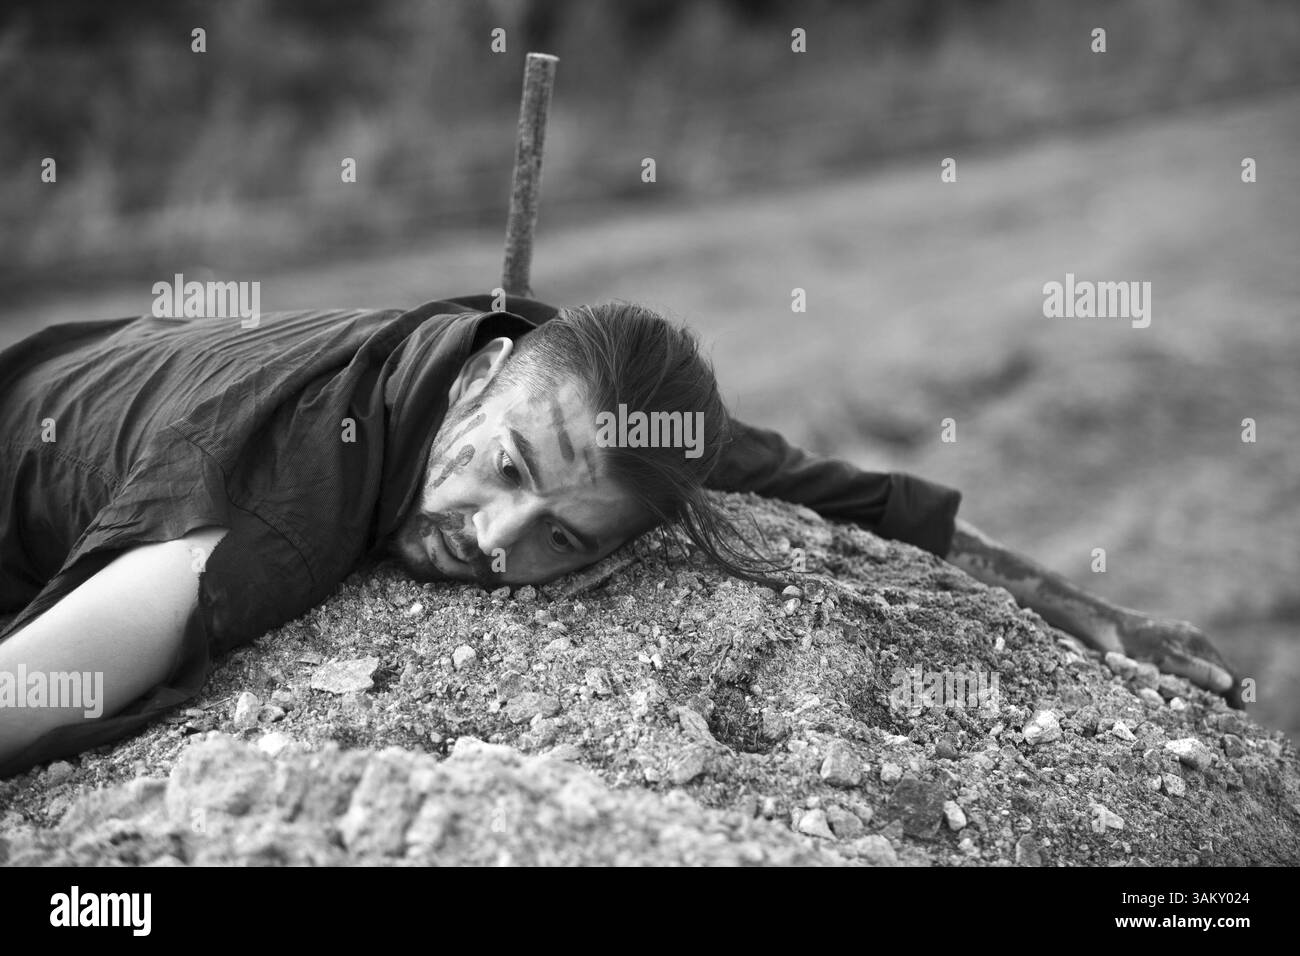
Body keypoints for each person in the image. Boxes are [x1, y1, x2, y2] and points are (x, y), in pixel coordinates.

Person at [0, 293, 1240, 775]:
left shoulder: (610, 425)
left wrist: (1086, 608)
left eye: (560, 542)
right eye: (502, 473)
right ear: (481, 380)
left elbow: (856, 496)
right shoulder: (269, 512)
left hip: (104, 359)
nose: (497, 536)